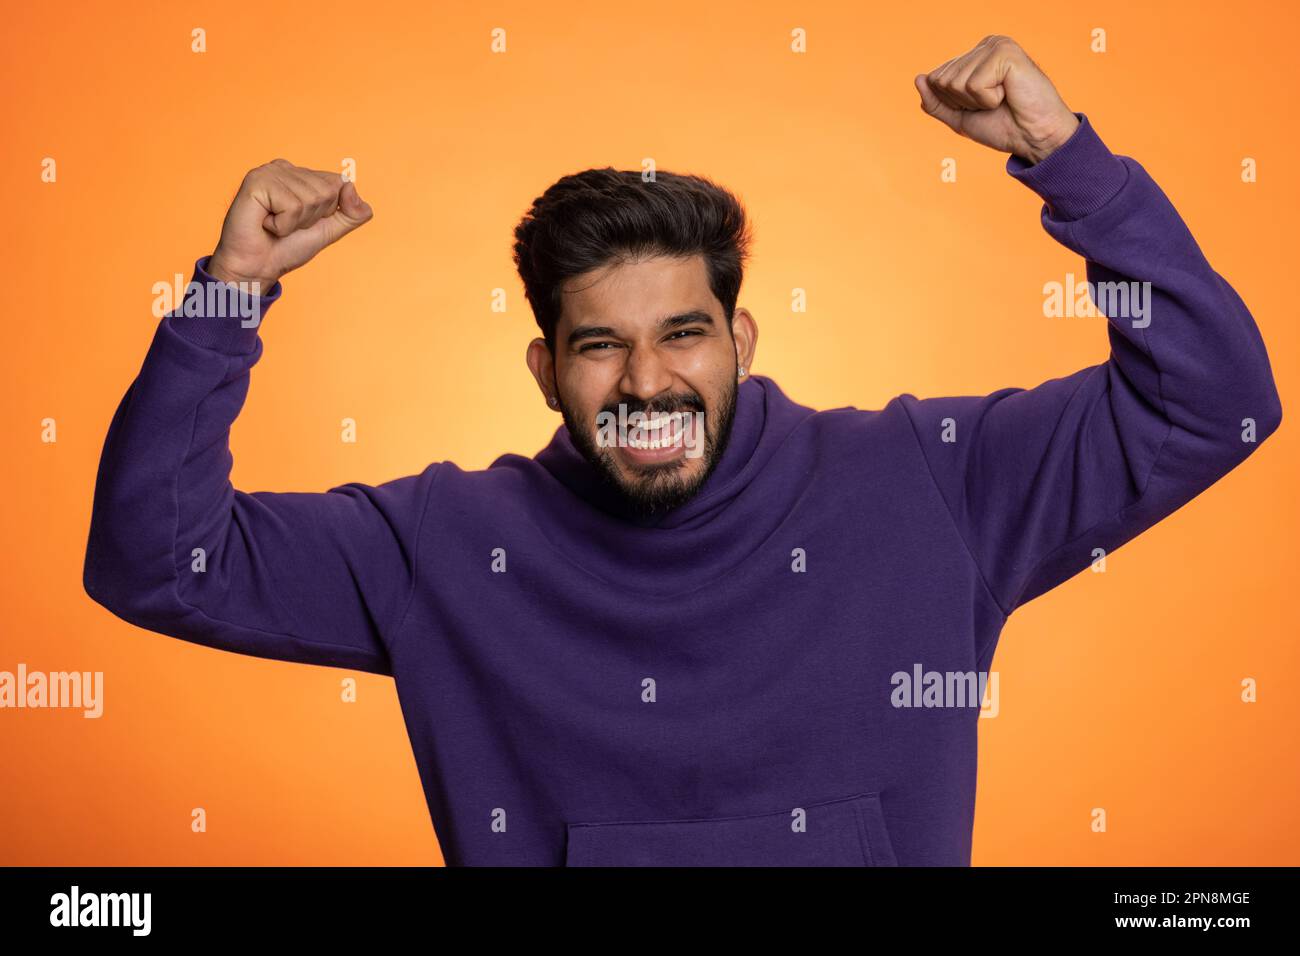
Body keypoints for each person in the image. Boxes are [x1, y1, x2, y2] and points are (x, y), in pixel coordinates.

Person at [83, 36, 1282, 866]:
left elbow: (1216, 400)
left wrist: (1072, 162)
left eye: (683, 334)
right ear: (545, 371)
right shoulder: (442, 545)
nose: (648, 381)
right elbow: (154, 559)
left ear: (740, 338)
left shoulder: (931, 479)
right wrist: (229, 293)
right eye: (599, 344)